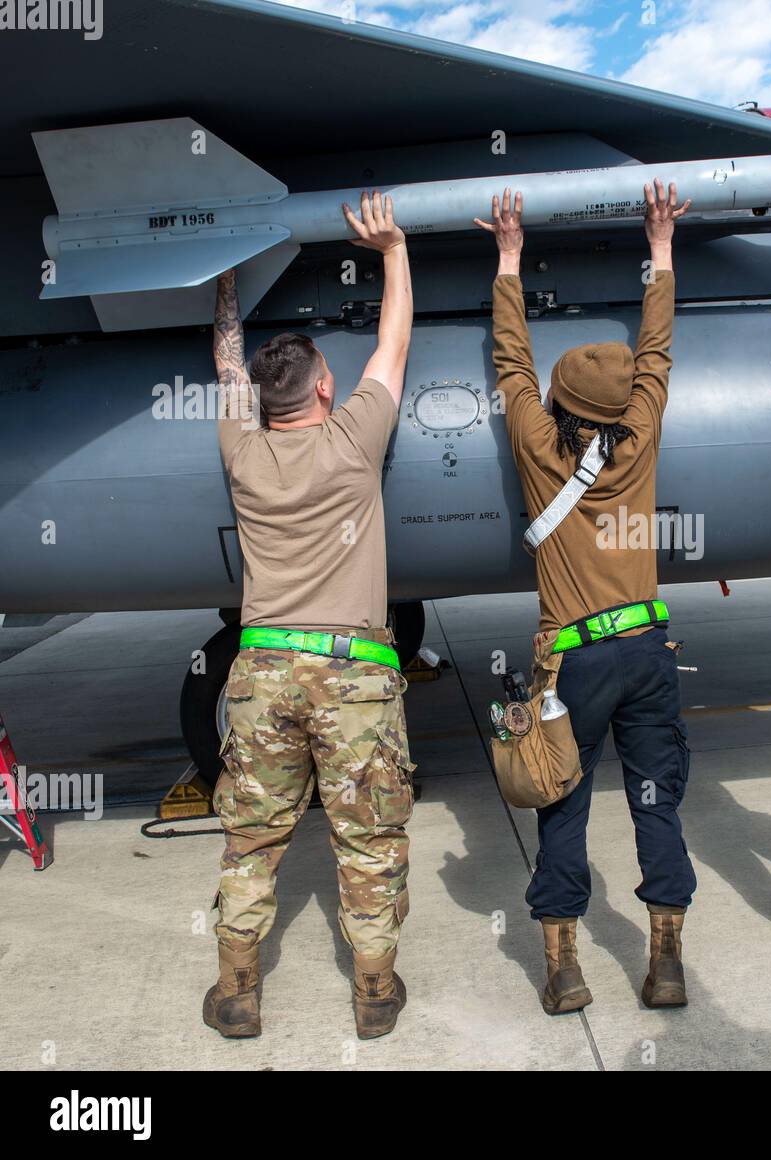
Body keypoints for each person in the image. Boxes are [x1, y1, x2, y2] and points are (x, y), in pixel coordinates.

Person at [477, 180, 697, 1014]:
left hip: (572, 662)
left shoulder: (538, 443)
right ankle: (666, 963)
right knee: (656, 807)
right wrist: (662, 248)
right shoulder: (638, 441)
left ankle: (564, 969)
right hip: (647, 651)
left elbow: (512, 361)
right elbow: (657, 355)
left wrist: (508, 258)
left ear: (563, 403)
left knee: (561, 806)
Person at [205, 191, 416, 1039]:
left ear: (263, 402)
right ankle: (372, 995)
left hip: (259, 673)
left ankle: (238, 992)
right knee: (368, 844)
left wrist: (223, 280)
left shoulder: (242, 449)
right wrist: (392, 248)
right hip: (355, 673)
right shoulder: (355, 438)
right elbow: (393, 343)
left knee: (251, 841)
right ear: (328, 387)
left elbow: (227, 363)